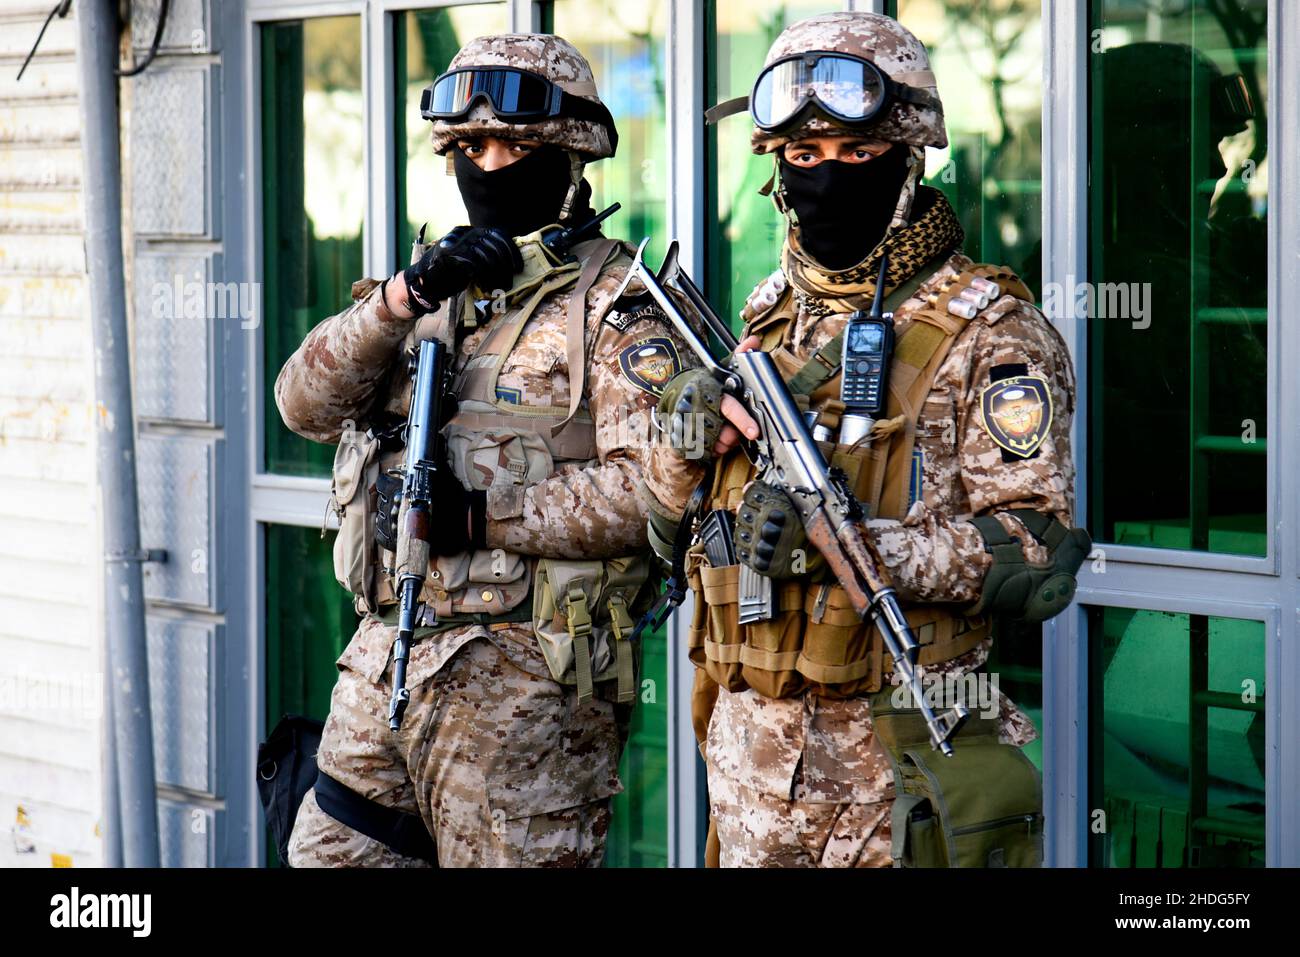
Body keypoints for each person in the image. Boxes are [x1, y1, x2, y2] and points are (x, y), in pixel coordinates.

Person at [643, 11, 1087, 868]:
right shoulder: (768, 312)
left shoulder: (993, 333)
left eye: (856, 156)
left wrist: (847, 544)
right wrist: (682, 435)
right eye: (803, 158)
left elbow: (1036, 554)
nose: (827, 179)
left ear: (910, 159)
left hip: (894, 765)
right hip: (745, 760)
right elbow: (673, 536)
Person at [274, 32, 699, 867]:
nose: (488, 165)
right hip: (384, 654)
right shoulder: (432, 287)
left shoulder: (621, 306)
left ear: (570, 156)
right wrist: (404, 295)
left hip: (526, 690)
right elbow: (301, 403)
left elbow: (656, 489)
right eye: (469, 147)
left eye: (513, 146)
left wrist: (485, 514)